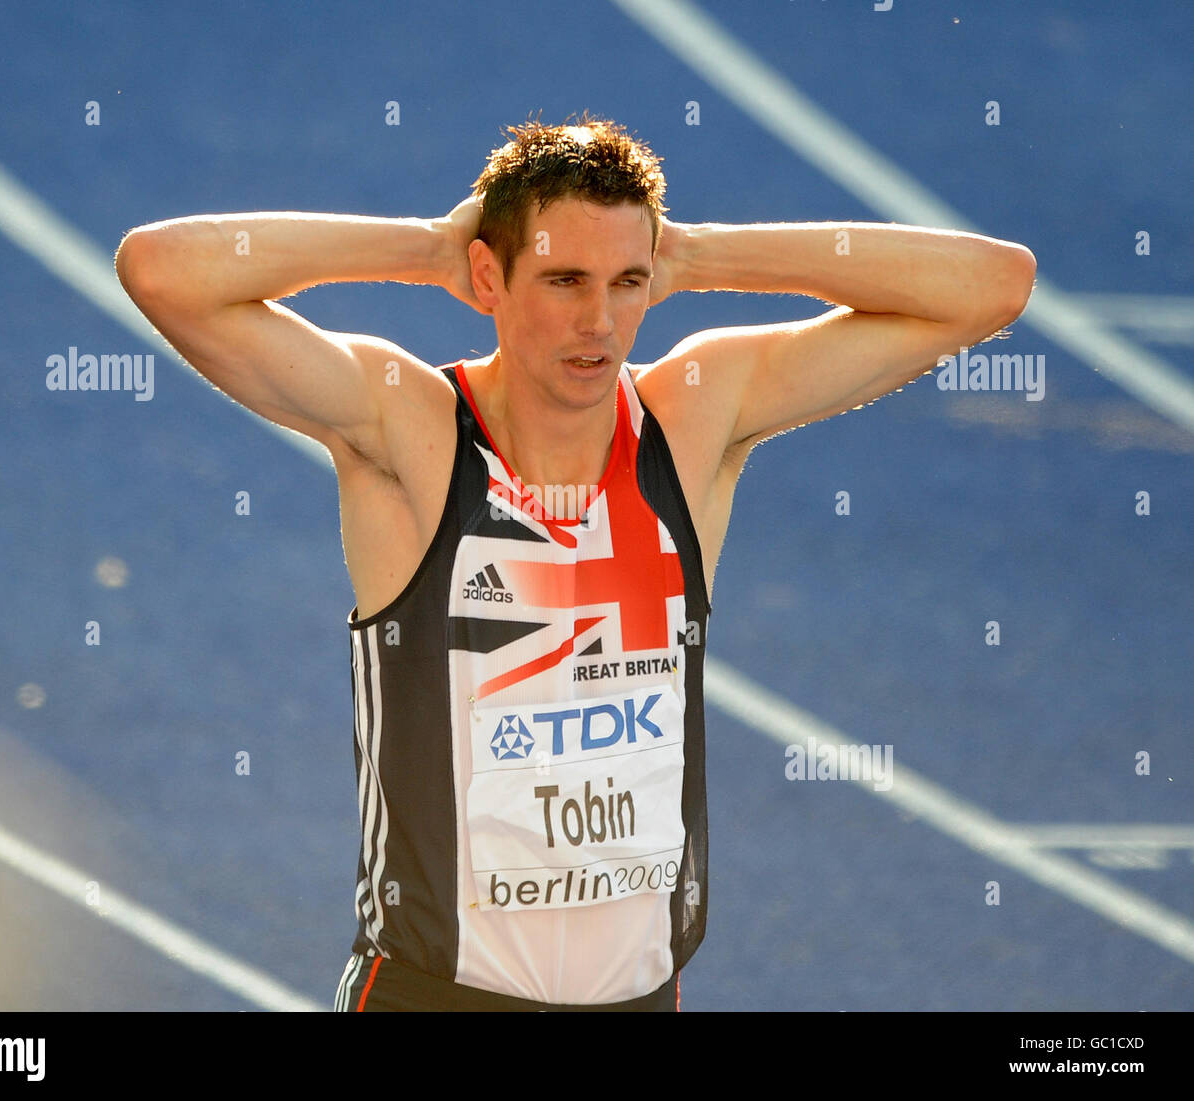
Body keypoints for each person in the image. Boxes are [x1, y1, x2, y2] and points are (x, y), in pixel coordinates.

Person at [114, 115, 1035, 1012]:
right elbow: (163, 273)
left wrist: (701, 257)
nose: (598, 321)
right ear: (491, 278)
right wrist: (427, 248)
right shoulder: (415, 432)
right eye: (562, 279)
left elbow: (992, 287)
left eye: (627, 281)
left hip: (638, 998)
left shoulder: (690, 421)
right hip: (436, 997)